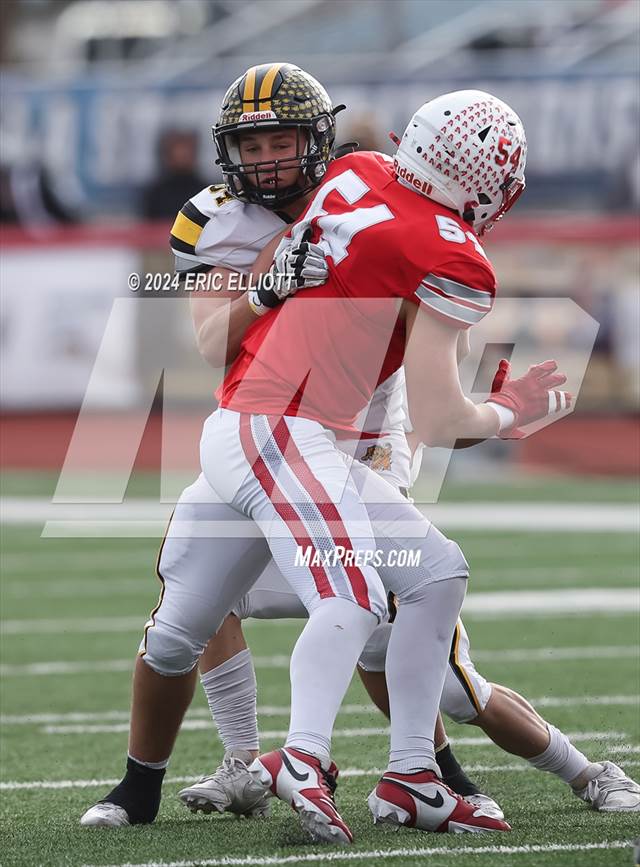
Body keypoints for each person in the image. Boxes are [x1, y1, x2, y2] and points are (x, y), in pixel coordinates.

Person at [80, 62, 498, 834]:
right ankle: (169, 778)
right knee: (181, 623)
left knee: (385, 606)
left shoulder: (365, 187)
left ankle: (433, 768)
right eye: (253, 142)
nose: (268, 157)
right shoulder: (213, 218)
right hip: (264, 427)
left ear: (319, 139)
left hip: (362, 429)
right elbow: (209, 342)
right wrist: (267, 286)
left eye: (282, 139)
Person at [185, 87, 570, 843]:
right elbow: (440, 418)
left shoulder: (358, 168)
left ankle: (412, 776)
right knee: (354, 592)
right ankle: (303, 757)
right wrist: (509, 413)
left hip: (293, 428)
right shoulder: (455, 254)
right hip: (275, 424)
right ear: (491, 186)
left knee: (436, 574)